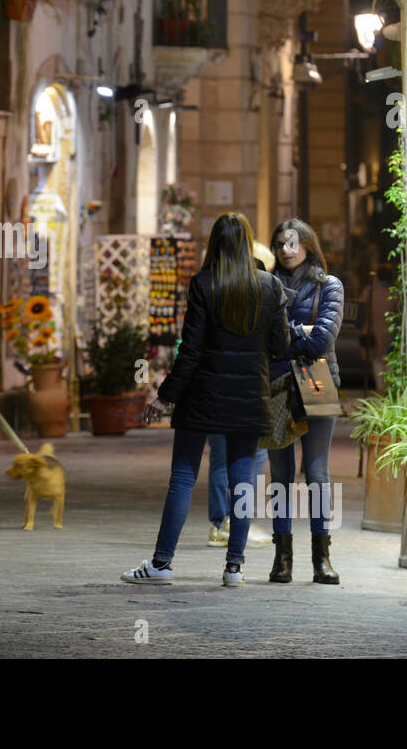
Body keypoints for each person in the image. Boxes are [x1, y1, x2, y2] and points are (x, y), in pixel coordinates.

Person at [122, 212, 290, 587]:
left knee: (182, 478)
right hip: (249, 398)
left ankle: (162, 565)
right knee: (243, 482)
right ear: (248, 244)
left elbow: (191, 351)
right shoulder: (269, 286)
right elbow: (281, 347)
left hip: (202, 397)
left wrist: (166, 397)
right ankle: (234, 568)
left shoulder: (203, 284)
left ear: (213, 243)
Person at [266, 218, 345, 584]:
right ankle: (282, 558)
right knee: (281, 476)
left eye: (293, 243)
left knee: (316, 473)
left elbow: (321, 341)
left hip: (317, 381)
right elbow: (266, 341)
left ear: (309, 245)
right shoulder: (266, 286)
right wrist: (301, 332)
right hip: (277, 383)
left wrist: (291, 333)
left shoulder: (329, 286)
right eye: (280, 243)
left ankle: (321, 558)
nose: (286, 249)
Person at [206, 244, 280, 549]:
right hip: (251, 392)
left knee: (226, 460)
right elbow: (280, 342)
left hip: (219, 392)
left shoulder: (214, 293)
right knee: (248, 460)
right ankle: (233, 524)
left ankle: (225, 523)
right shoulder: (265, 297)